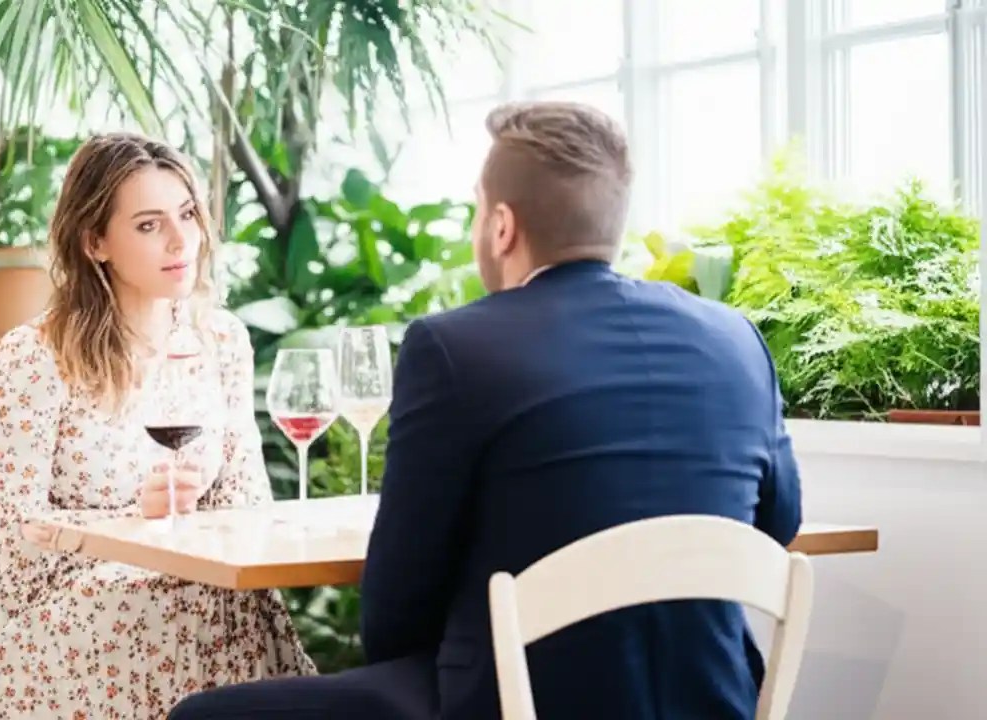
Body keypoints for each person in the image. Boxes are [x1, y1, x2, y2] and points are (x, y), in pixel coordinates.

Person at [169, 100, 802, 720]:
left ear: (501, 226)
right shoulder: (735, 339)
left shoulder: (455, 348)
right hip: (714, 702)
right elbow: (778, 524)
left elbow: (393, 618)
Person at [0, 133, 315, 719]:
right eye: (149, 225)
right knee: (192, 605)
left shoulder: (220, 341)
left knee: (235, 601)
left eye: (187, 215)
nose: (181, 241)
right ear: (95, 242)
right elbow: (14, 537)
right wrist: (138, 523)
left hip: (190, 592)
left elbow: (248, 501)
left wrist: (202, 511)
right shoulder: (36, 355)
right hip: (48, 621)